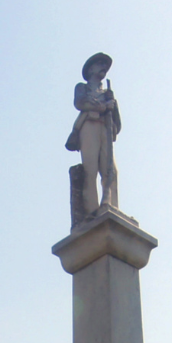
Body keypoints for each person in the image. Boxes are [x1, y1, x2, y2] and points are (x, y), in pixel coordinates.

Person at [65, 52, 121, 218]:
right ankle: (91, 210)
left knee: (111, 170)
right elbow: (81, 102)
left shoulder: (108, 94)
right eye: (99, 64)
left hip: (105, 129)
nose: (103, 67)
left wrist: (112, 106)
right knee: (90, 169)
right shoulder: (83, 87)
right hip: (88, 126)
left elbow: (118, 124)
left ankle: (111, 205)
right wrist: (103, 107)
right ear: (90, 70)